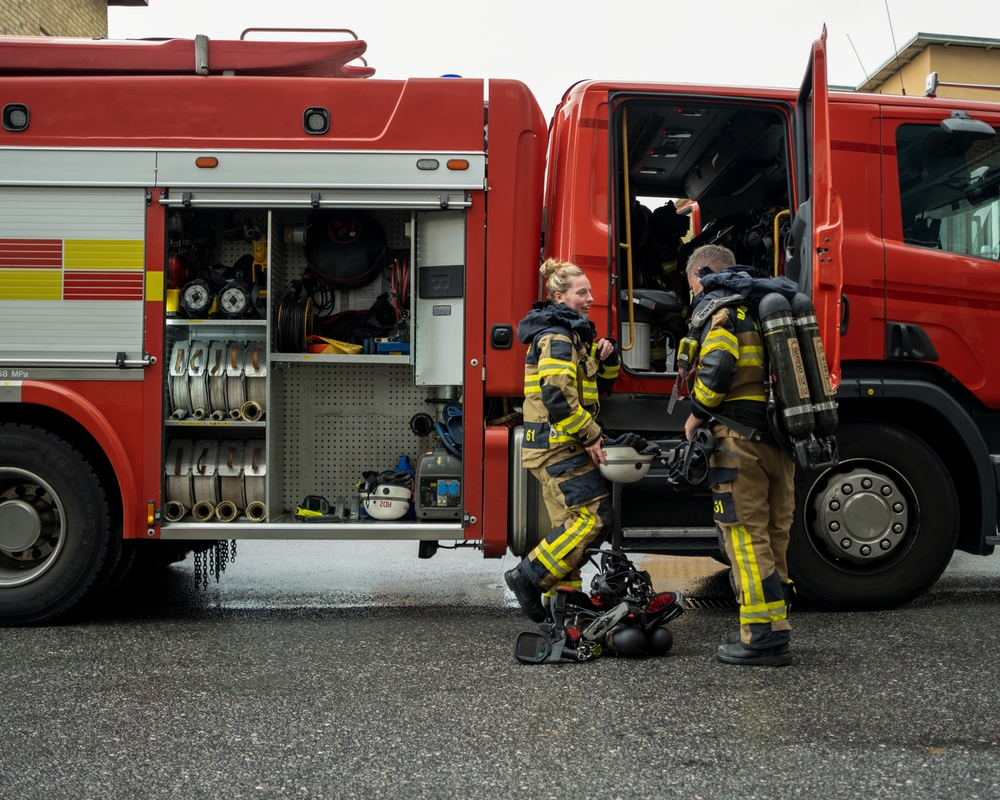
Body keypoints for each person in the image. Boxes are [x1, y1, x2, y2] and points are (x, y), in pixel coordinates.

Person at [682, 244, 796, 666]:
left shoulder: (720, 309)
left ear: (703, 274)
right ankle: (774, 627)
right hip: (778, 441)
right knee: (774, 535)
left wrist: (696, 415)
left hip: (737, 439)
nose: (693, 289)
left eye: (692, 281)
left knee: (745, 538)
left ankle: (761, 637)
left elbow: (719, 364)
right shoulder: (768, 308)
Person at [505, 258, 620, 622]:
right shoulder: (557, 336)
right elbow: (556, 395)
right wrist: (591, 435)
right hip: (560, 444)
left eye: (590, 292)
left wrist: (609, 356)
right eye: (581, 292)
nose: (590, 298)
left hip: (553, 444)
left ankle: (565, 609)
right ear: (559, 296)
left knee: (570, 529)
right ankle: (527, 577)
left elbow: (600, 386)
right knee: (593, 519)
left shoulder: (572, 335)